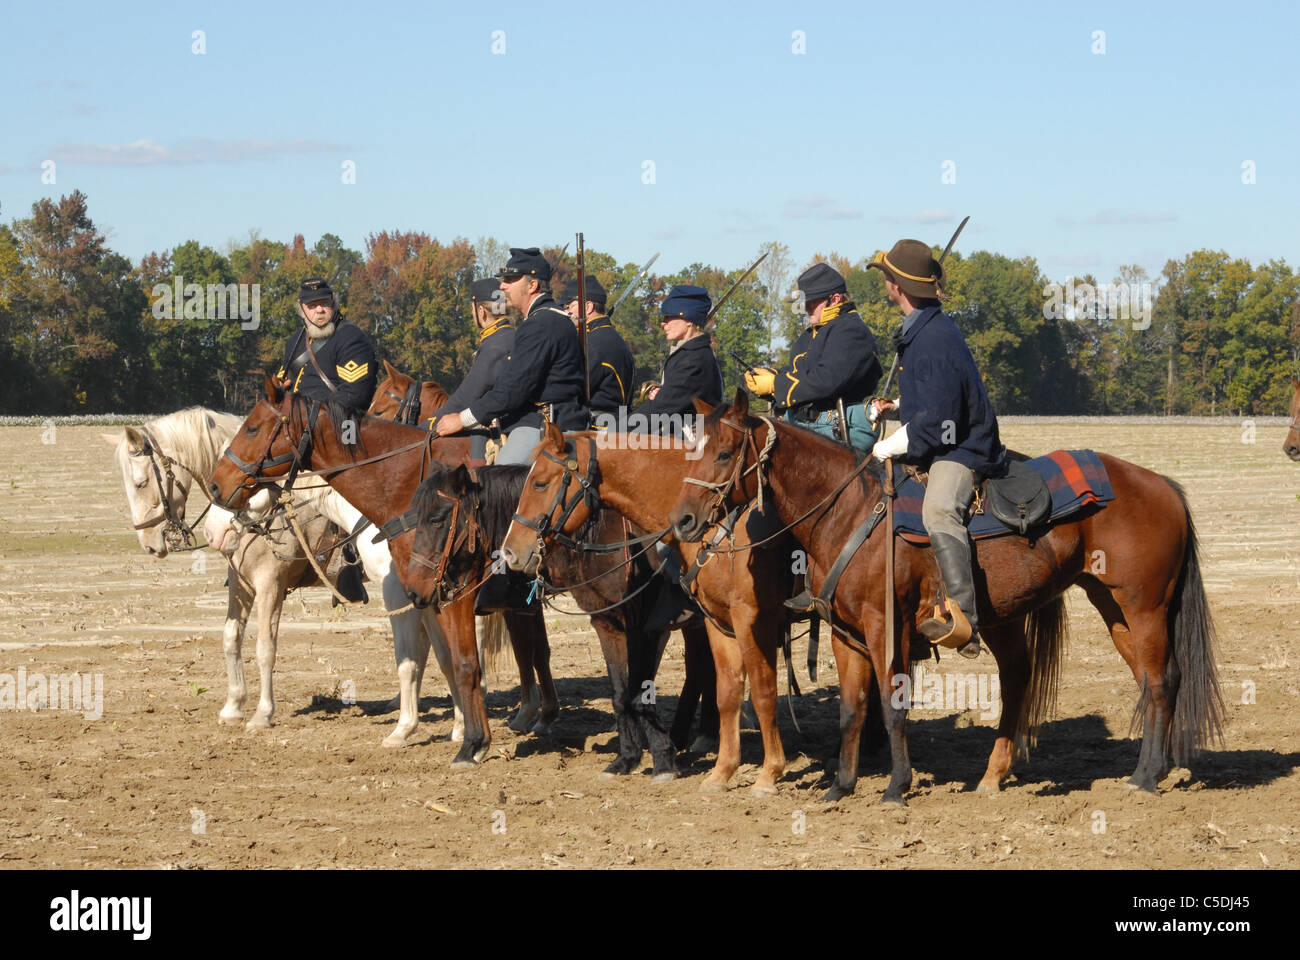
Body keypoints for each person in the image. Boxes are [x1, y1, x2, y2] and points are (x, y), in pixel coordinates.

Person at [867, 239, 1003, 659]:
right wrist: (897, 406)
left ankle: (962, 619)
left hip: (962, 447)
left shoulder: (932, 337)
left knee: (938, 509)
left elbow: (939, 425)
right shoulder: (922, 328)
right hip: (939, 435)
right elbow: (935, 398)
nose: (885, 284)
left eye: (888, 277)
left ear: (898, 287)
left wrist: (886, 447)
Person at [435, 247, 587, 464]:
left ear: (532, 285)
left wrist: (462, 419)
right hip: (544, 419)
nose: (502, 285)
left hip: (545, 425)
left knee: (496, 485)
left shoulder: (541, 324)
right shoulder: (546, 319)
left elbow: (510, 392)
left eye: (510, 279)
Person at [742, 262, 882, 450]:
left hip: (838, 426)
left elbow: (825, 379)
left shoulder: (851, 330)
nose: (806, 308)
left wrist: (775, 385)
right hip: (810, 424)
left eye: (812, 302)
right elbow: (800, 371)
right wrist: (771, 375)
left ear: (835, 299)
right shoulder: (812, 333)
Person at [431, 277, 514, 464]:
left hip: (502, 428)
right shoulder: (503, 337)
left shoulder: (496, 344)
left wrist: (429, 425)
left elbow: (468, 396)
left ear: (481, 311)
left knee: (475, 477)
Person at [630, 284, 723, 432]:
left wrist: (611, 434)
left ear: (688, 320)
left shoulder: (694, 359)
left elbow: (660, 409)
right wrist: (664, 391)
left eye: (669, 317)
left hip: (692, 443)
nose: (663, 323)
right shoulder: (689, 353)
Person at [276, 277, 377, 411]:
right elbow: (282, 383)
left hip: (334, 426)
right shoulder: (294, 341)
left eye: (324, 303)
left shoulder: (351, 338)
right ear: (301, 310)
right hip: (294, 424)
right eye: (311, 306)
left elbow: (354, 396)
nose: (319, 310)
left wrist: (309, 416)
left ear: (333, 304)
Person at [562, 274, 635, 420]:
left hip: (598, 428)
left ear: (588, 307)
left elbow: (571, 389)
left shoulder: (593, 343)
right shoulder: (606, 336)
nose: (565, 312)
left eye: (568, 306)